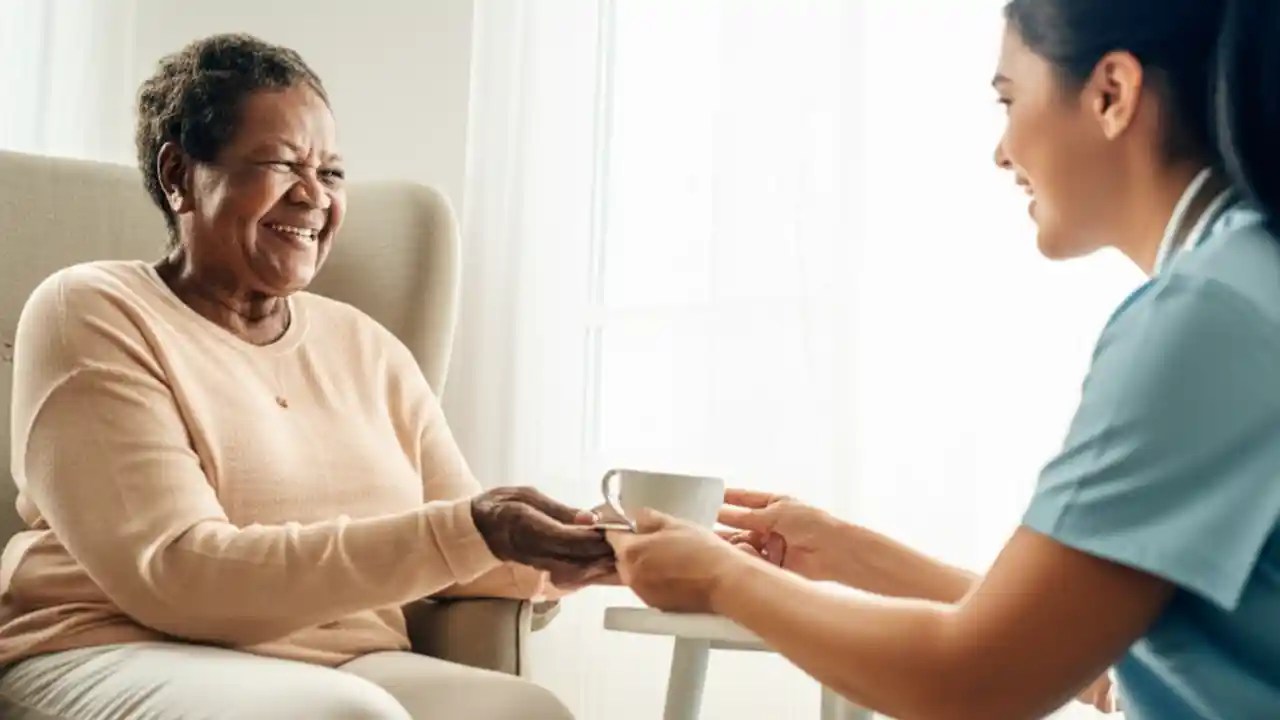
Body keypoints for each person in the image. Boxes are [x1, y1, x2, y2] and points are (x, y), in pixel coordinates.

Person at [609, 0, 1280, 717]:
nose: (1001, 150)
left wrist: (718, 579)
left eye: (1009, 100)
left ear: (1110, 93)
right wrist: (844, 554)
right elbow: (1070, 651)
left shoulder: (1203, 320)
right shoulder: (1246, 280)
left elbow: (974, 681)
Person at [0, 34, 612, 720]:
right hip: (114, 645)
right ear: (179, 175)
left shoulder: (366, 346)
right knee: (342, 716)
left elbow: (466, 549)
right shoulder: (93, 308)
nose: (313, 196)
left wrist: (608, 543)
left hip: (347, 662)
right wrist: (476, 529)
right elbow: (178, 576)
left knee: (525, 711)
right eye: (280, 163)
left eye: (332, 173)